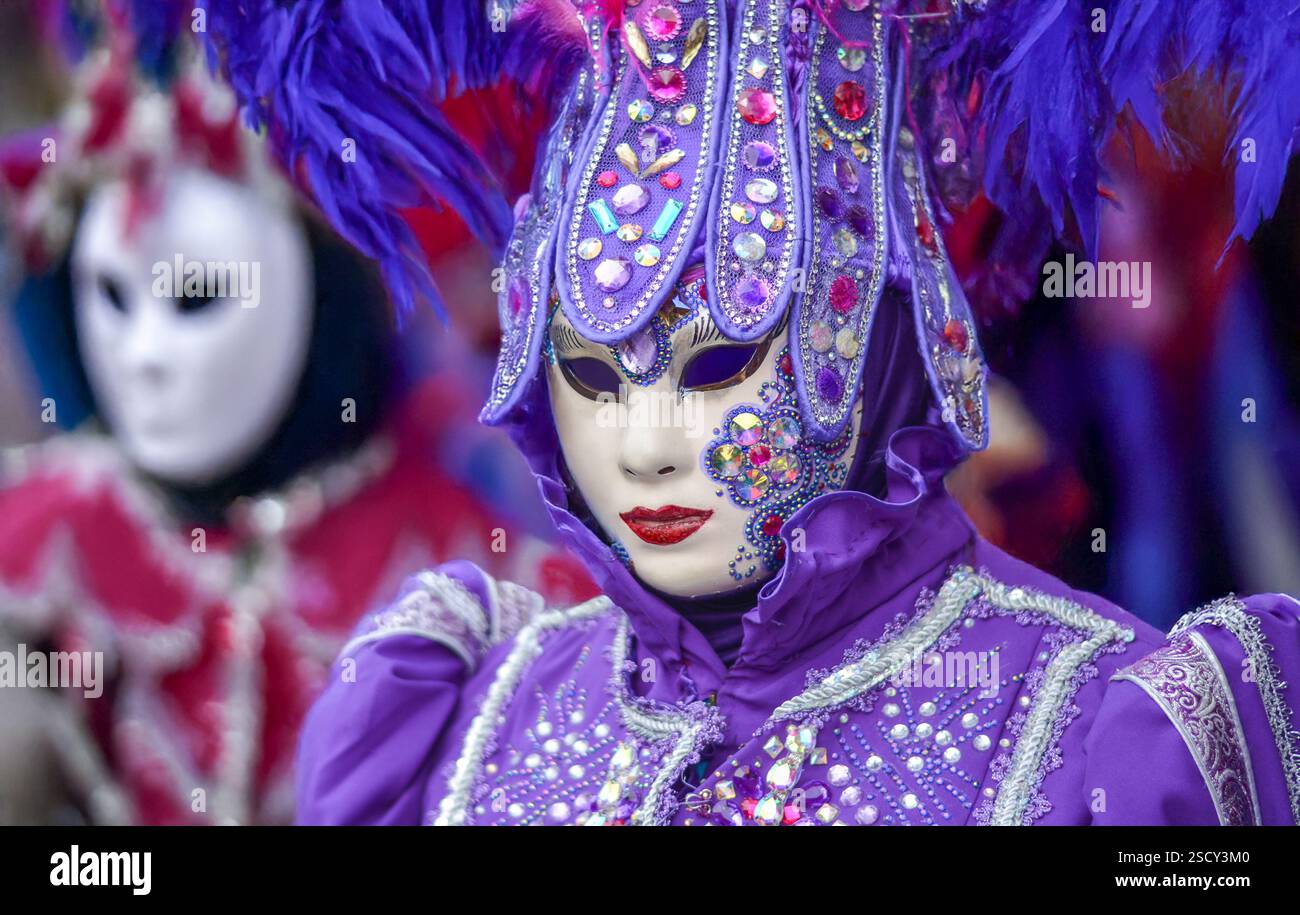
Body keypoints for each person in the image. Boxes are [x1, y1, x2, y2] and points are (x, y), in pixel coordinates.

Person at [200, 0, 1300, 825]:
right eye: (592, 379)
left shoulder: (1111, 731)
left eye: (719, 363)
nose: (641, 447)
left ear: (874, 344)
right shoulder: (466, 711)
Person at [0, 0, 593, 825]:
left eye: (196, 298)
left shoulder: (477, 577)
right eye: (110, 296)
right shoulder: (43, 545)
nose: (143, 355)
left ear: (327, 294)